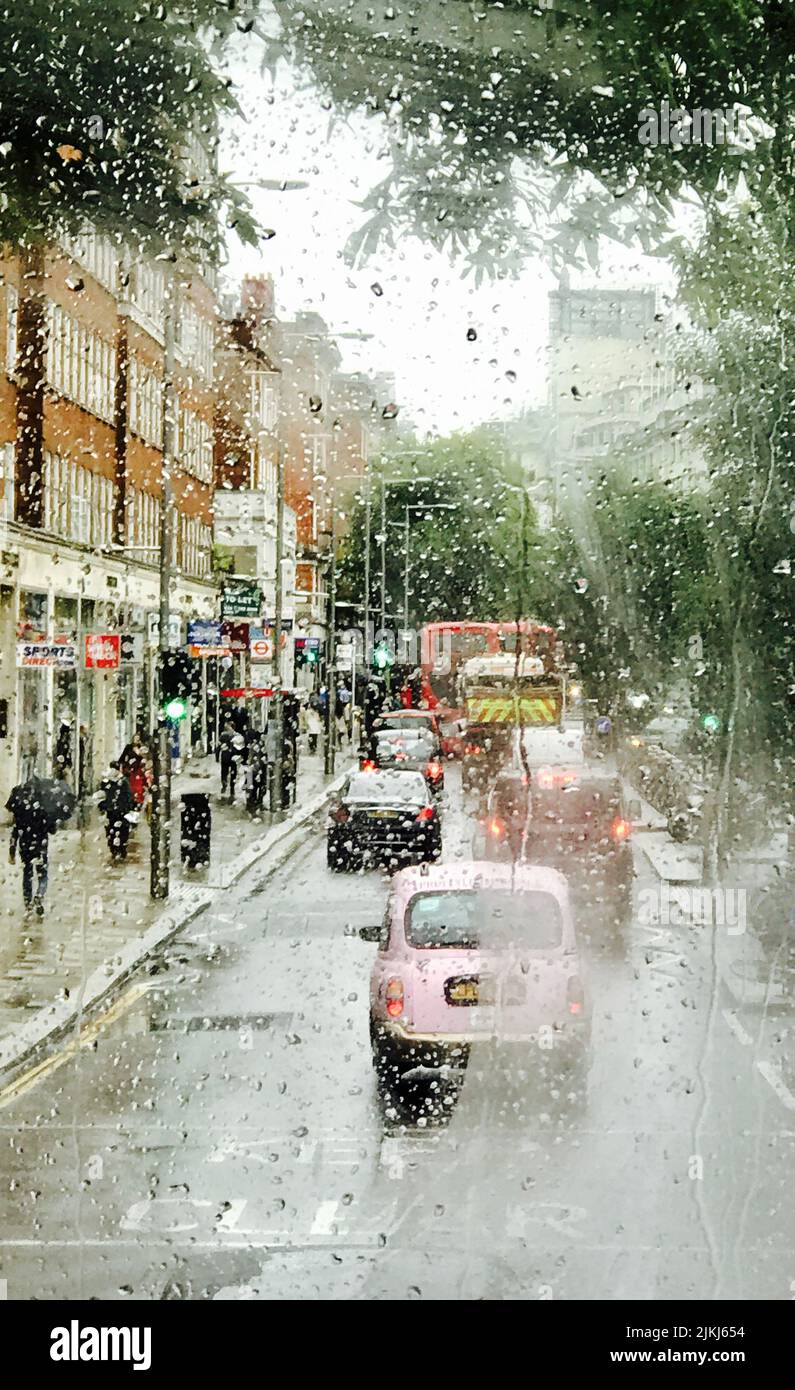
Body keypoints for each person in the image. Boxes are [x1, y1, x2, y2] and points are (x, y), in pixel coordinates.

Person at [7, 782, 51, 916]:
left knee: (27, 874)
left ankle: (27, 903)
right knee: (42, 875)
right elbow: (52, 828)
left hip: (25, 847)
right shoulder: (43, 809)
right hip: (41, 847)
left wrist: (12, 851)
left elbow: (15, 832)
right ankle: (39, 895)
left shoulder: (20, 810)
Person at [97, 761, 137, 862]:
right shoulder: (117, 781)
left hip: (117, 811)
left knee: (118, 830)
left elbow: (127, 796)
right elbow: (103, 795)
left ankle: (118, 849)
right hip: (116, 811)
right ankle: (116, 849)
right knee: (115, 830)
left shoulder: (121, 781)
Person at [120, 731, 151, 808]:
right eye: (135, 738)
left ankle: (138, 801)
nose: (136, 740)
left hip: (139, 771)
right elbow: (123, 759)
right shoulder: (129, 747)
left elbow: (145, 758)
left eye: (138, 739)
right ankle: (132, 801)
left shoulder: (142, 748)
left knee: (139, 787)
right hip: (131, 771)